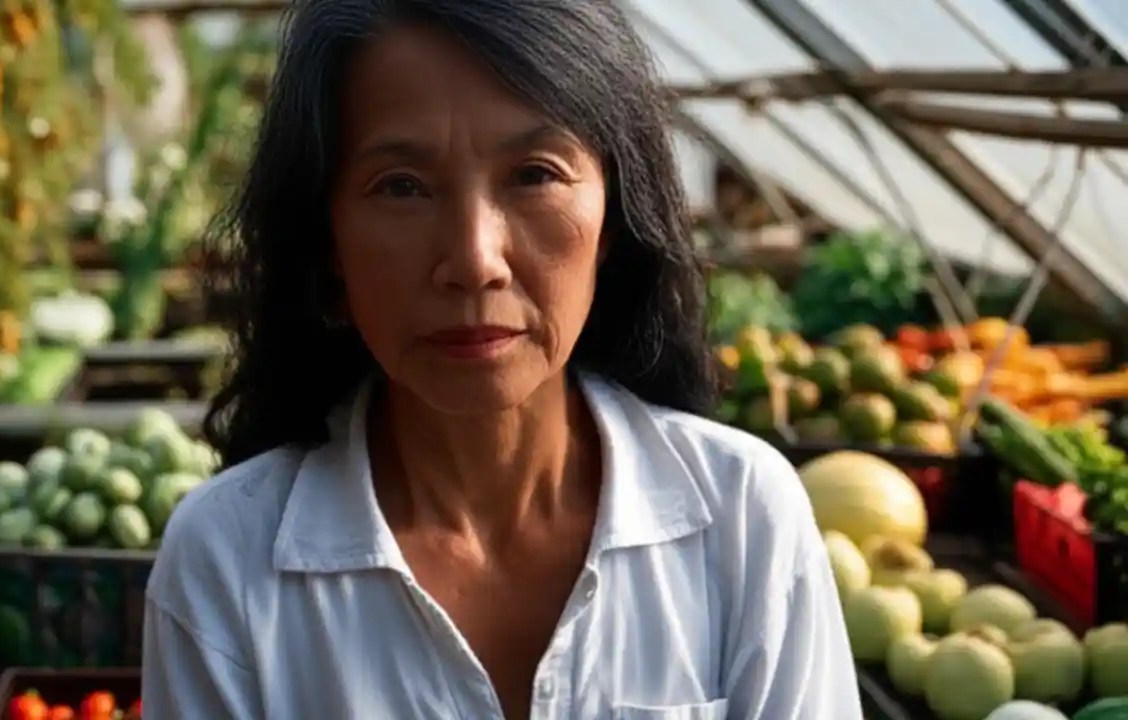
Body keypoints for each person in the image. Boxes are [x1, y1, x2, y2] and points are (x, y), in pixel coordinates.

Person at [142, 1, 862, 717]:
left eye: (535, 175)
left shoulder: (742, 520)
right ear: (326, 240)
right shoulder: (228, 560)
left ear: (613, 215)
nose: (474, 261)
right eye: (401, 186)